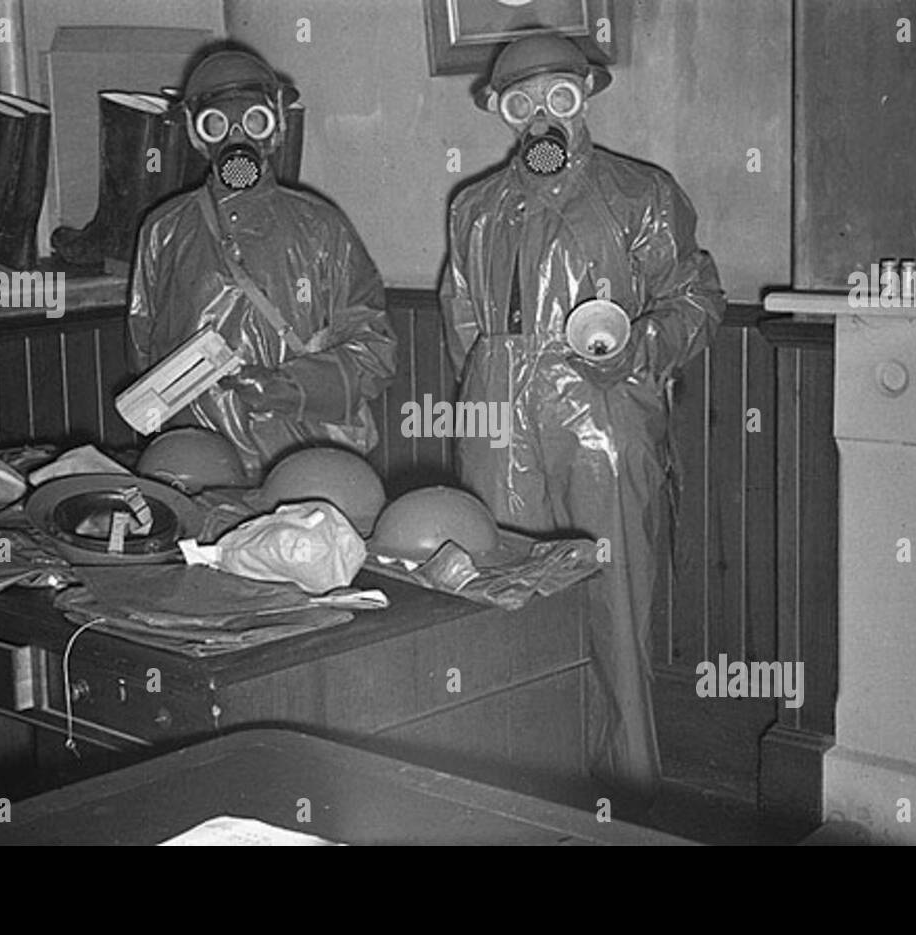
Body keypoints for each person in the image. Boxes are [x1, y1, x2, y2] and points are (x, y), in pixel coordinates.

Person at [440, 32, 726, 804]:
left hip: (604, 422)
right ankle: (522, 795)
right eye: (521, 101)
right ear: (502, 112)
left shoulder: (642, 195)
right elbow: (461, 321)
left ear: (586, 95)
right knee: (505, 606)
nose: (542, 118)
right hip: (500, 425)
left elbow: (697, 297)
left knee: (612, 609)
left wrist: (637, 349)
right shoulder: (475, 208)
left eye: (558, 96)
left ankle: (628, 800)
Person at [128, 49, 396, 481]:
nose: (236, 137)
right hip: (198, 460)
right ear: (197, 136)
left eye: (254, 120)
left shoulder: (321, 226)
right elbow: (145, 349)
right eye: (216, 123)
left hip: (300, 457)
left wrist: (287, 388)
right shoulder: (165, 230)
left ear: (278, 126)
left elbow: (373, 350)